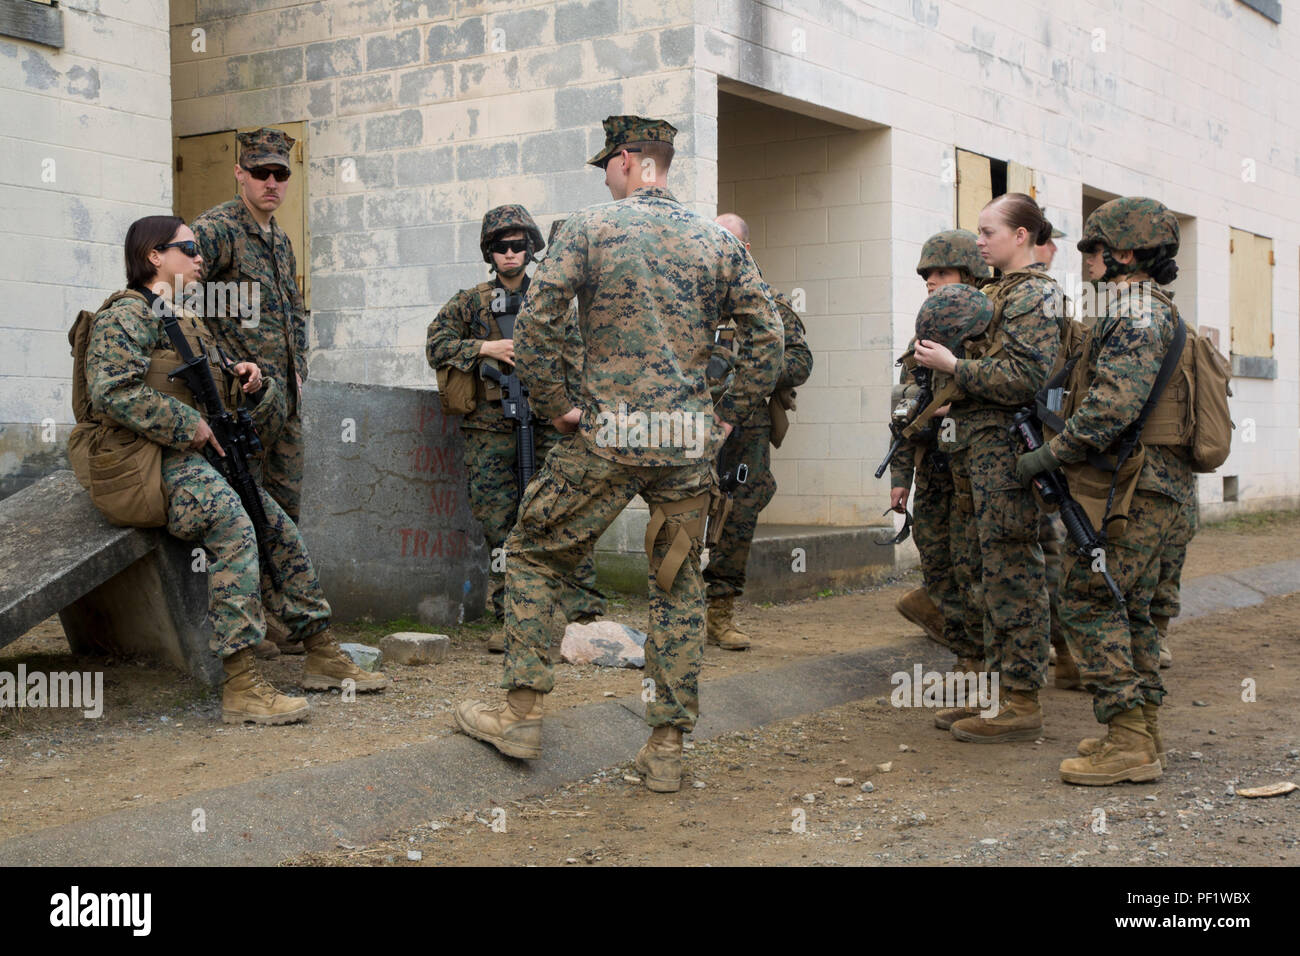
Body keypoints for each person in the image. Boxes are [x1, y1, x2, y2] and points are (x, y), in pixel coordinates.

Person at [453, 115, 783, 793]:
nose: (605, 174)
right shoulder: (716, 241)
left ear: (631, 160)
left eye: (608, 162)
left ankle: (520, 714)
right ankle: (665, 746)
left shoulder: (589, 229)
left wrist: (557, 408)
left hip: (608, 434)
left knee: (536, 550)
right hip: (684, 444)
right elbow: (768, 338)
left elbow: (539, 321)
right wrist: (723, 415)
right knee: (676, 583)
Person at [77, 216, 387, 725]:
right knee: (235, 525)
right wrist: (190, 426)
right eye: (188, 248)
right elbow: (110, 391)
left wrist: (248, 380)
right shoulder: (128, 314)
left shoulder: (185, 320)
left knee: (278, 528)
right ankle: (242, 683)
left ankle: (322, 652)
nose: (200, 258)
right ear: (154, 255)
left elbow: (213, 396)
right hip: (147, 462)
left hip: (194, 458)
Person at [1016, 197, 1191, 785]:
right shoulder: (1150, 308)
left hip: (1137, 490)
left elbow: (1112, 408)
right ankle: (1140, 733)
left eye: (1093, 247)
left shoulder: (1136, 312)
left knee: (1090, 601)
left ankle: (1128, 739)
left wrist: (1049, 455)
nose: (1085, 257)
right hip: (1153, 488)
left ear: (1125, 253)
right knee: (1131, 607)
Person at [915, 193, 1064, 743]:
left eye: (988, 231)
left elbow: (1024, 377)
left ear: (1021, 236)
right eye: (977, 232)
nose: (978, 240)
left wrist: (957, 367)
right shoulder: (995, 291)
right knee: (982, 572)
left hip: (1006, 454)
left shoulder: (1036, 295)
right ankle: (998, 693)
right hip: (975, 454)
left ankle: (1022, 700)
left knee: (1013, 573)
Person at [426, 206, 606, 648]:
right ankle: (514, 616)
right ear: (491, 252)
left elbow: (576, 356)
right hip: (488, 431)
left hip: (547, 424)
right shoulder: (470, 302)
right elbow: (436, 344)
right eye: (502, 247)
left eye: (519, 245)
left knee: (563, 512)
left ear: (531, 249)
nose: (511, 253)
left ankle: (583, 614)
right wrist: (486, 346)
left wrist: (579, 413)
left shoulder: (551, 296)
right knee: (500, 524)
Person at [703, 213, 813, 650]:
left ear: (744, 250)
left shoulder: (772, 306)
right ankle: (675, 612)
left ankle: (720, 613)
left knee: (739, 516)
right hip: (696, 424)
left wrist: (751, 371)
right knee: (682, 513)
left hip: (747, 429)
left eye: (726, 243)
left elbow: (801, 363)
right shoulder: (688, 299)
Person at [191, 128, 306, 523]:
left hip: (283, 403)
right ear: (240, 173)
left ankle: (283, 587)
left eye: (281, 174)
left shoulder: (281, 240)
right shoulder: (216, 229)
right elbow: (178, 299)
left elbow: (294, 309)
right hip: (242, 405)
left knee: (286, 513)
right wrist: (221, 361)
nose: (271, 182)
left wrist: (299, 370)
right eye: (261, 172)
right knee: (243, 511)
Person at [889, 230, 988, 671]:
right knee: (937, 562)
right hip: (935, 468)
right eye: (927, 274)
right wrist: (899, 480)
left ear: (969, 276)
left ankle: (1003, 659)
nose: (931, 281)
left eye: (942, 273)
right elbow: (904, 411)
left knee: (977, 569)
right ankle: (967, 654)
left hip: (980, 466)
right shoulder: (924, 334)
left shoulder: (993, 331)